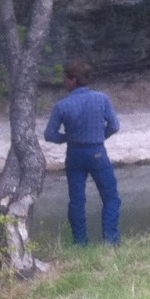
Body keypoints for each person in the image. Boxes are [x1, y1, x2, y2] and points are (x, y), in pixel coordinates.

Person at [44, 59, 121, 246]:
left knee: (77, 201)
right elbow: (114, 126)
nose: (63, 82)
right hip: (97, 152)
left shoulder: (62, 105)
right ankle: (110, 241)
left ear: (73, 80)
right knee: (111, 198)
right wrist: (99, 136)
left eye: (66, 78)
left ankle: (81, 242)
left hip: (75, 155)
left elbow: (49, 135)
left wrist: (68, 138)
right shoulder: (102, 98)